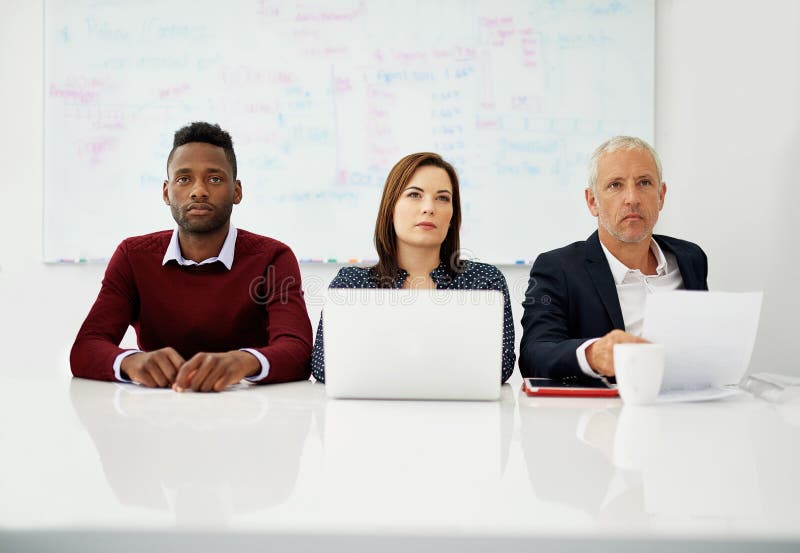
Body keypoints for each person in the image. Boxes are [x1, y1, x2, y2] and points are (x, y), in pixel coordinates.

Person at [71, 122, 313, 391]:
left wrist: (242, 361)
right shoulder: (132, 256)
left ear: (237, 191)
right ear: (166, 192)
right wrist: (131, 362)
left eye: (215, 178)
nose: (199, 191)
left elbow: (298, 351)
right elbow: (86, 347)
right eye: (184, 179)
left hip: (246, 411)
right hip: (157, 410)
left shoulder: (273, 258)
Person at [310, 152, 516, 384]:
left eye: (442, 198)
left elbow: (500, 365)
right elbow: (324, 364)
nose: (429, 208)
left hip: (459, 413)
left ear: (452, 216)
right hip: (371, 413)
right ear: (391, 208)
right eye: (415, 195)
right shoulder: (352, 283)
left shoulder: (484, 281)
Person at [519, 136, 708, 381]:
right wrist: (593, 355)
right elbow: (535, 355)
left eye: (644, 182)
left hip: (686, 406)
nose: (632, 198)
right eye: (615, 185)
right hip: (606, 414)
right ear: (592, 201)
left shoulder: (690, 259)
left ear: (661, 195)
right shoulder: (558, 269)